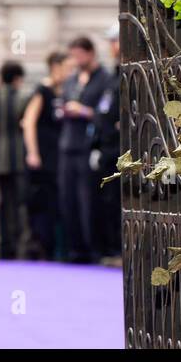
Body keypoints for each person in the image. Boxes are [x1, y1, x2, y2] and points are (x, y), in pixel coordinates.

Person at [58, 35, 114, 264]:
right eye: (73, 55)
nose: (76, 59)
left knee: (88, 199)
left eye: (79, 54)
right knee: (68, 197)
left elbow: (106, 113)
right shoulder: (71, 80)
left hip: (89, 146)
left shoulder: (105, 79)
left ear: (90, 53)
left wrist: (83, 111)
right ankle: (75, 248)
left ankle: (94, 248)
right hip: (68, 144)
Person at [20, 51, 70, 260]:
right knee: (43, 200)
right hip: (43, 154)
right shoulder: (42, 91)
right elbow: (27, 122)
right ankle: (41, 244)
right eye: (68, 67)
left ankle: (58, 246)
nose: (71, 72)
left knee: (59, 200)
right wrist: (32, 153)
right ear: (55, 67)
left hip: (60, 153)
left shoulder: (68, 91)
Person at [90, 24, 122, 265]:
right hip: (108, 147)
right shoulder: (114, 74)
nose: (113, 47)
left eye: (116, 41)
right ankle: (112, 248)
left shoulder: (128, 73)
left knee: (120, 200)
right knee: (108, 200)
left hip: (123, 148)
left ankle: (120, 249)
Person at [0, 61, 29, 260]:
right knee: (19, 202)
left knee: (2, 202)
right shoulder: (24, 97)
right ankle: (18, 245)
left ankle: (3, 245)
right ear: (17, 78)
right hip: (19, 155)